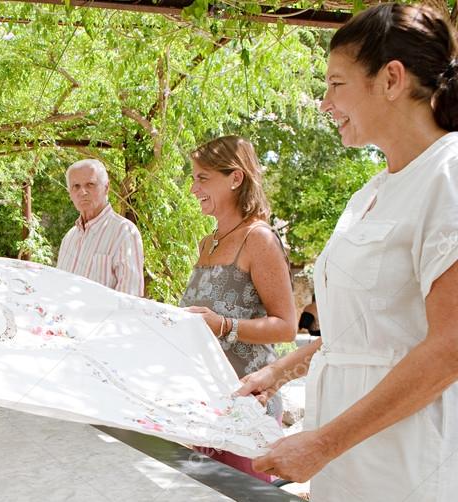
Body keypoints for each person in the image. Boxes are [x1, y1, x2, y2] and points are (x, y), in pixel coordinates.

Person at [236, 4, 458, 500]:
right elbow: (359, 336)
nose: (323, 103)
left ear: (391, 79)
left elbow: (450, 348)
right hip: (348, 462)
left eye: (336, 85)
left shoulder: (450, 174)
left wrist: (325, 444)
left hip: (408, 463)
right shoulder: (371, 194)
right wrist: (279, 370)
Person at [179, 136, 296, 481]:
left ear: (235, 178)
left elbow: (287, 326)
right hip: (206, 404)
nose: (192, 188)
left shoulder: (258, 239)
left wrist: (225, 325)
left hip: (248, 405)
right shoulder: (207, 242)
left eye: (202, 178)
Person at [55, 159, 145, 296]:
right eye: (76, 186)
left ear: (106, 187)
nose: (83, 192)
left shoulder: (124, 233)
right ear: (70, 193)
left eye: (90, 184)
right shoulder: (69, 238)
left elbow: (129, 300)